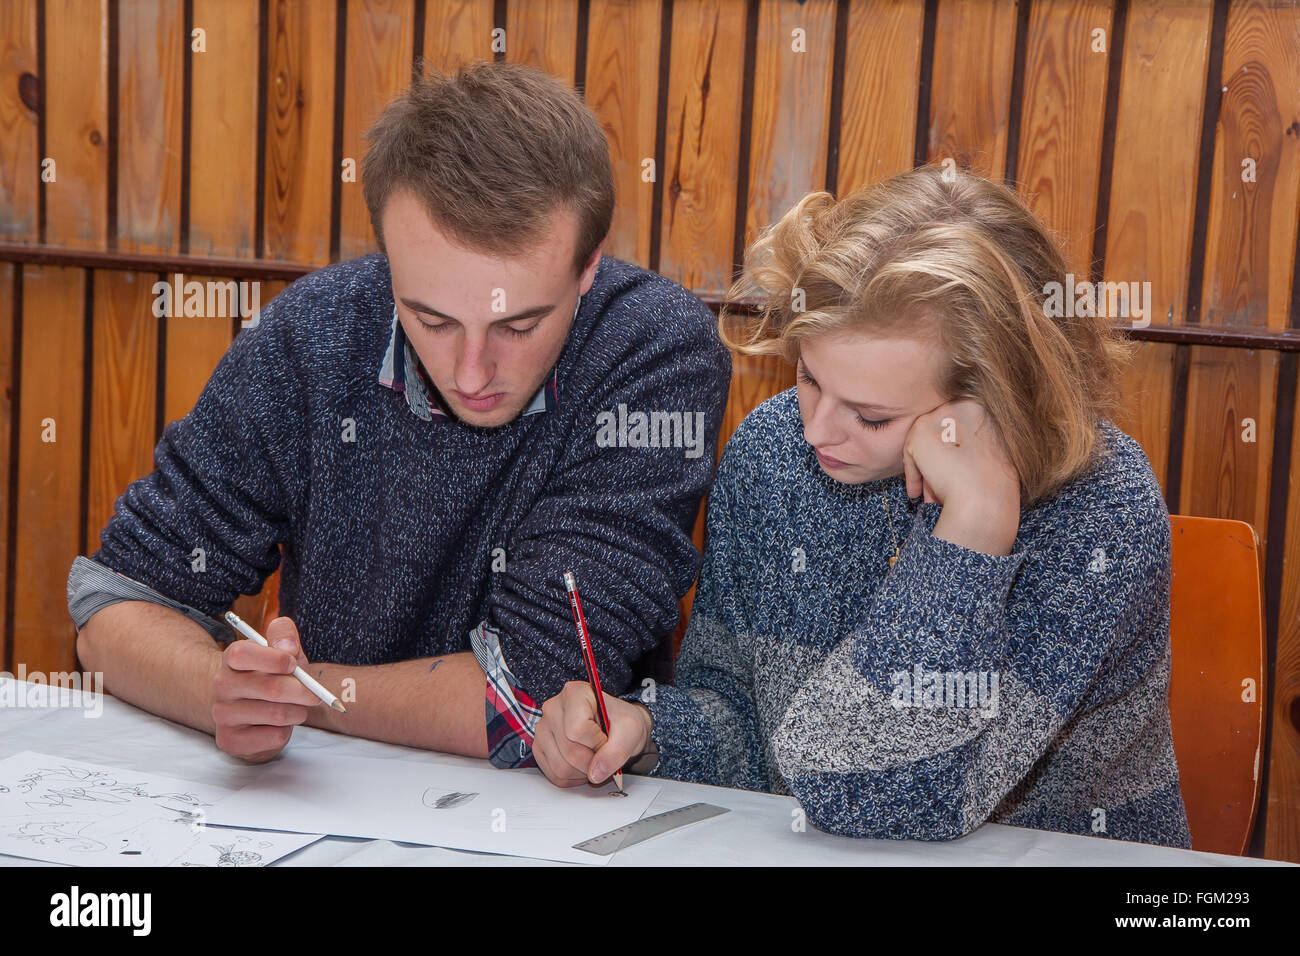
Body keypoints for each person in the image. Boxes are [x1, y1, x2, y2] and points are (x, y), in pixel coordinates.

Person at [66, 61, 730, 769]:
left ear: (588, 267)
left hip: (551, 824)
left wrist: (308, 695)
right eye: (431, 319)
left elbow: (527, 696)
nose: (472, 372)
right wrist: (218, 690)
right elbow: (114, 605)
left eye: (519, 325)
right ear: (387, 262)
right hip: (315, 803)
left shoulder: (655, 346)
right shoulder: (313, 330)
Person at [531, 164, 1193, 848]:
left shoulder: (1099, 510)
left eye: (872, 417)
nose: (815, 431)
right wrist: (645, 731)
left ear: (995, 405)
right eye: (810, 378)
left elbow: (880, 795)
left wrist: (968, 534)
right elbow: (750, 724)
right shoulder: (775, 449)